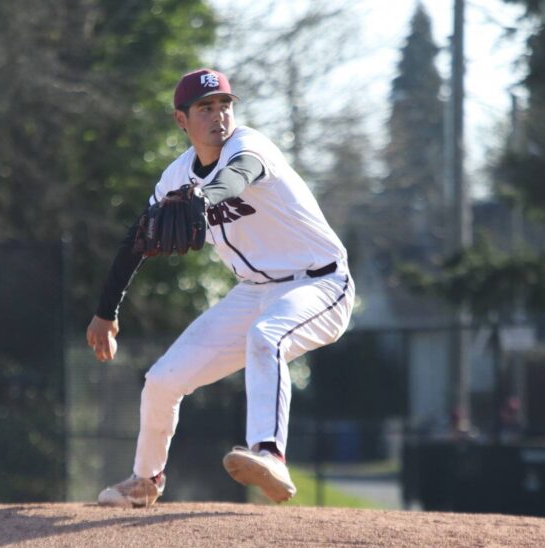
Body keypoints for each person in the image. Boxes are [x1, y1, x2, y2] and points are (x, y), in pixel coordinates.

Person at [87, 68, 355, 508]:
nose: (219, 116)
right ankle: (145, 480)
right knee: (161, 380)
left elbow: (237, 176)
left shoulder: (250, 146)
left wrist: (203, 200)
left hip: (321, 283)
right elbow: (137, 239)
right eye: (206, 108)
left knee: (266, 336)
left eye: (225, 106)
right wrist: (106, 311)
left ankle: (269, 454)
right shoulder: (176, 178)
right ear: (182, 121)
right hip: (254, 292)